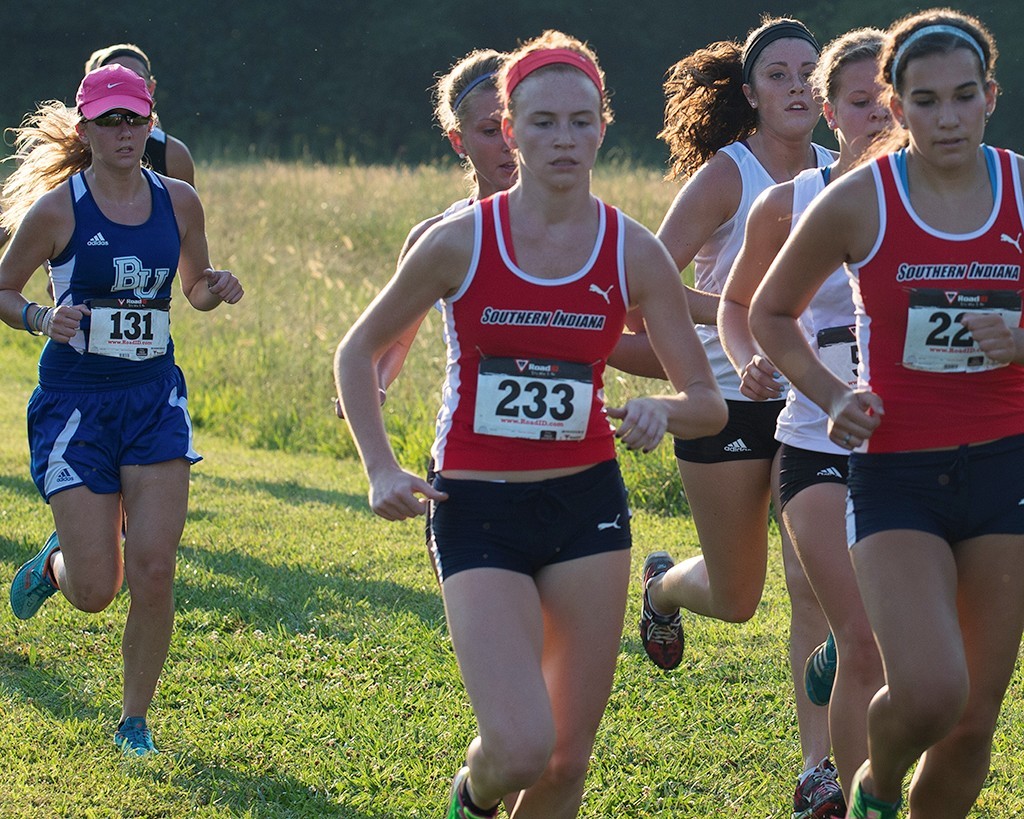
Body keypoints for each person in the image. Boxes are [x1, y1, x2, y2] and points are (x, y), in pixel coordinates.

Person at [335, 30, 726, 819]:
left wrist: (663, 410)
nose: (564, 139)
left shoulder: (633, 251)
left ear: (603, 127)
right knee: (517, 747)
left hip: (588, 507)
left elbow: (706, 401)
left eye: (581, 121)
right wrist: (379, 466)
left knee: (564, 763)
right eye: (543, 122)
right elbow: (356, 351)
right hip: (475, 508)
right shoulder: (457, 243)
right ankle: (469, 799)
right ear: (509, 130)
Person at [749, 10, 1024, 818]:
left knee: (974, 722)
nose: (947, 118)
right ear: (896, 108)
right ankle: (874, 783)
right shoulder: (859, 200)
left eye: (963, 98)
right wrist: (832, 395)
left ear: (989, 98)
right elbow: (769, 313)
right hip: (897, 470)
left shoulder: (1021, 188)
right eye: (926, 101)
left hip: (1006, 464)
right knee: (934, 691)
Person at [622, 16, 841, 816]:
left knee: (813, 581)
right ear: (750, 94)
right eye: (778, 75)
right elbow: (646, 277)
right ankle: (664, 590)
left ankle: (819, 766)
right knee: (740, 593)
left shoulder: (839, 171)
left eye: (809, 73)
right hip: (726, 400)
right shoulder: (727, 176)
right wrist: (741, 311)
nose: (797, 88)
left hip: (809, 404)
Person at [1, 64, 243, 755]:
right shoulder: (58, 210)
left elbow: (191, 288)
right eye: (109, 120)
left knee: (156, 567)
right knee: (97, 588)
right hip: (76, 405)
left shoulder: (180, 201)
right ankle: (54, 566)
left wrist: (214, 287)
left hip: (153, 399)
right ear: (86, 130)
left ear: (150, 121)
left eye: (134, 118)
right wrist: (41, 317)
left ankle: (134, 719)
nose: (124, 132)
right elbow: (3, 287)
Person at [718, 28, 890, 805]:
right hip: (814, 442)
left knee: (896, 640)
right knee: (860, 639)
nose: (882, 116)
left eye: (894, 100)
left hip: (915, 451)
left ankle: (829, 672)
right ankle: (842, 783)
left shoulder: (948, 205)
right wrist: (753, 356)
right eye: (862, 103)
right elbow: (739, 306)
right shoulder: (787, 204)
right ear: (829, 110)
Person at [85, 43, 196, 186]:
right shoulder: (75, 150)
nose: (124, 132)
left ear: (151, 88)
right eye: (114, 80)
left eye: (135, 79)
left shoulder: (173, 154)